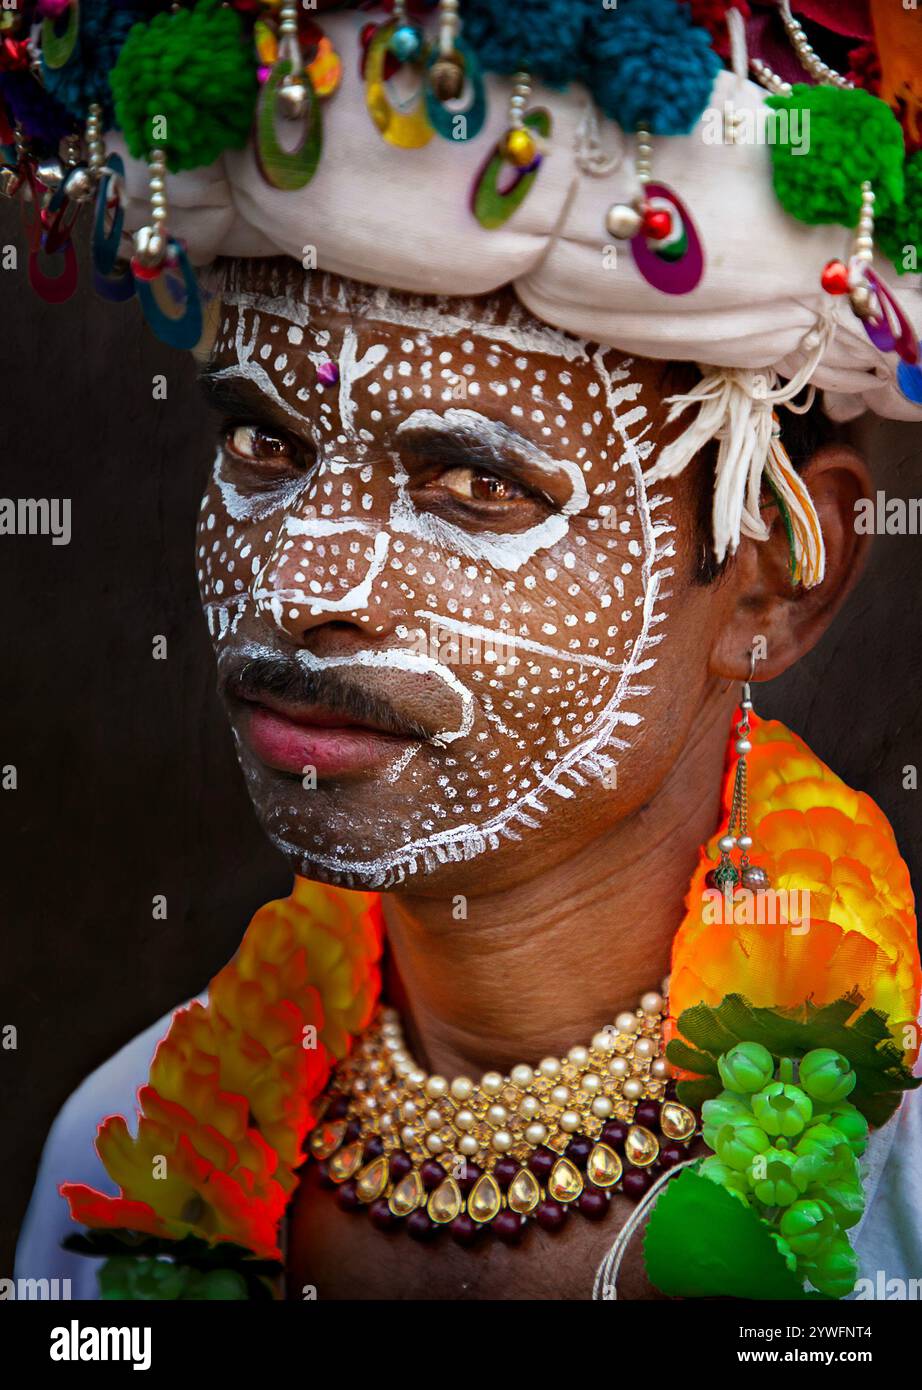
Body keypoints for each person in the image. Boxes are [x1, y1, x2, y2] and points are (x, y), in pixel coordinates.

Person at [9, 0, 922, 1300]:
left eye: (472, 486)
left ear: (775, 574)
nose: (298, 582)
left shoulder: (897, 1201)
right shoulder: (114, 1157)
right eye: (263, 446)